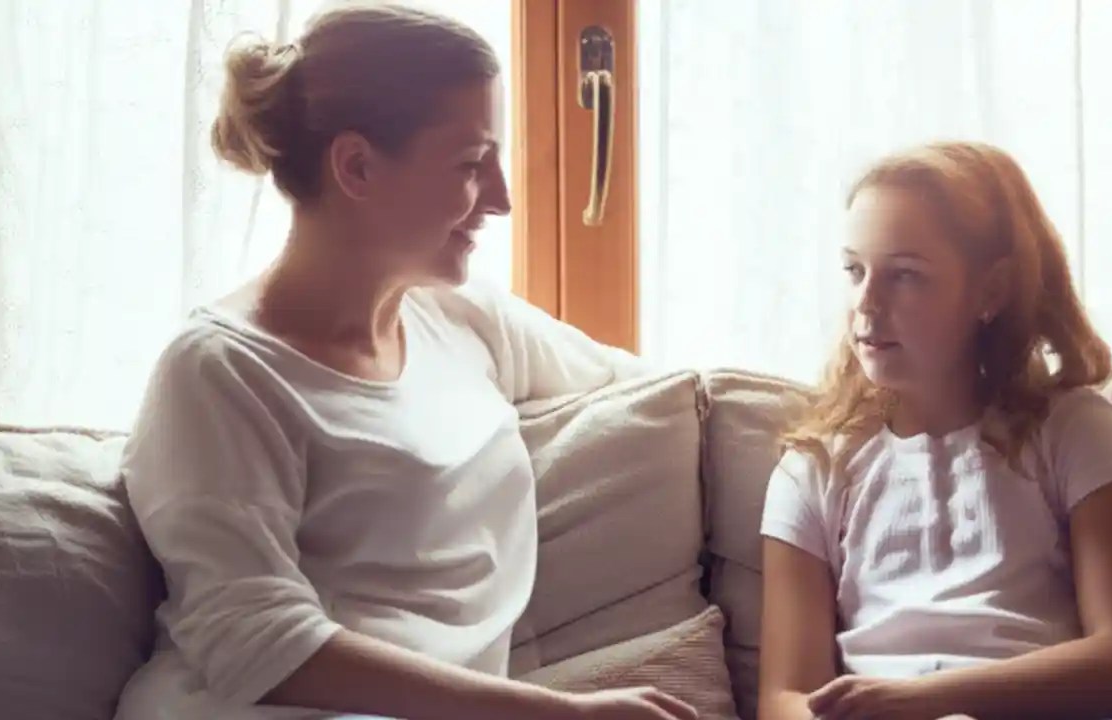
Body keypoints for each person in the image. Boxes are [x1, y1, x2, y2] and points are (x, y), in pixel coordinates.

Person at [113, 4, 699, 720]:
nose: (503, 199)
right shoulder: (220, 371)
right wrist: (557, 715)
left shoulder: (466, 321)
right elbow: (254, 640)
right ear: (356, 166)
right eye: (470, 164)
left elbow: (663, 391)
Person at [757, 142, 1112, 720]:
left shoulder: (1075, 430)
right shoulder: (814, 470)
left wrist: (922, 701)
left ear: (991, 291)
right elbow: (783, 699)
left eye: (905, 275)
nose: (866, 302)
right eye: (855, 270)